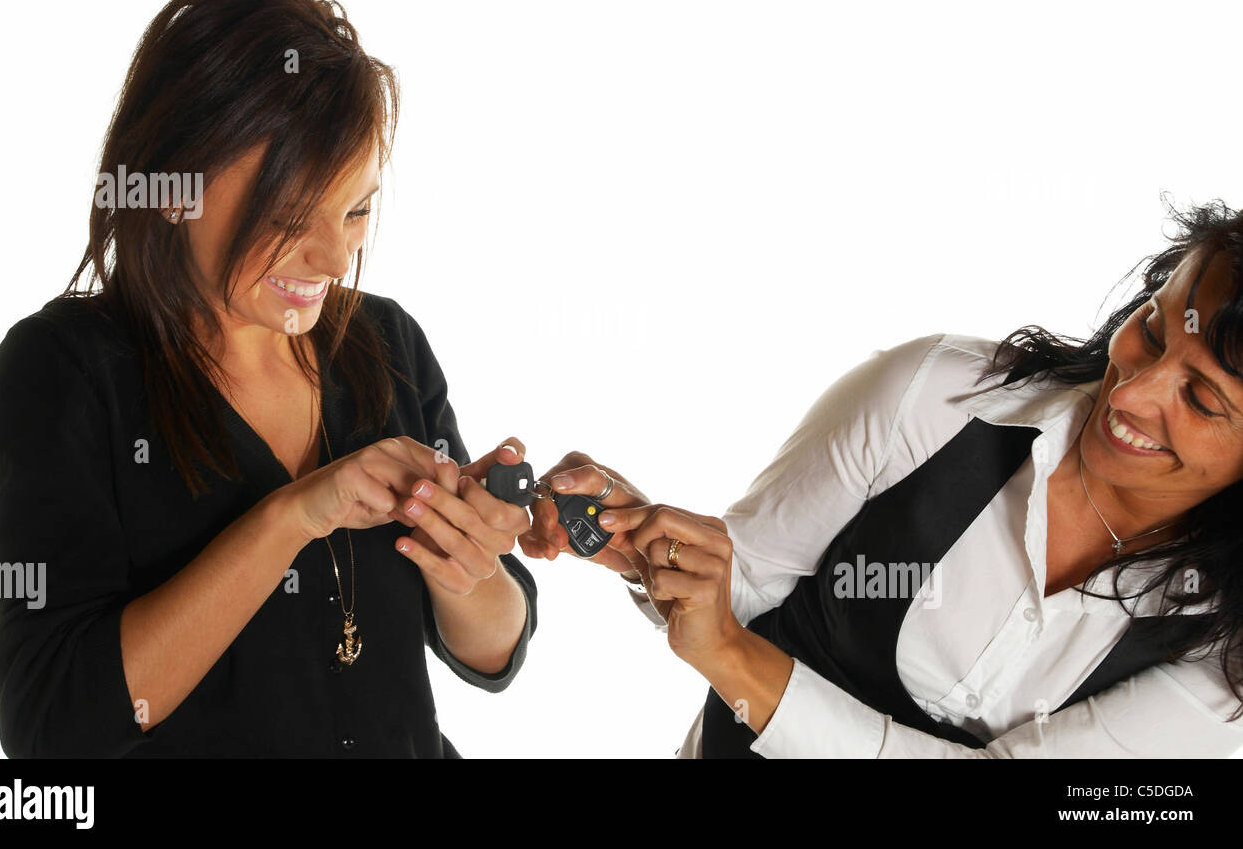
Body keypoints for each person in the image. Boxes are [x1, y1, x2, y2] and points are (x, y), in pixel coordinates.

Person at [0, 0, 537, 758]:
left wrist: (462, 559)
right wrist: (295, 515)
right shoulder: (63, 372)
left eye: (358, 210)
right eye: (291, 217)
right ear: (173, 189)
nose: (337, 257)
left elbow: (495, 649)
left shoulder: (387, 344)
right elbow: (56, 726)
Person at [520, 200, 1243, 757]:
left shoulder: (1229, 657)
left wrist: (736, 660)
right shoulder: (935, 398)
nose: (1130, 395)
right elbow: (748, 584)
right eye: (1152, 330)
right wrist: (647, 545)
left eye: (1203, 399)